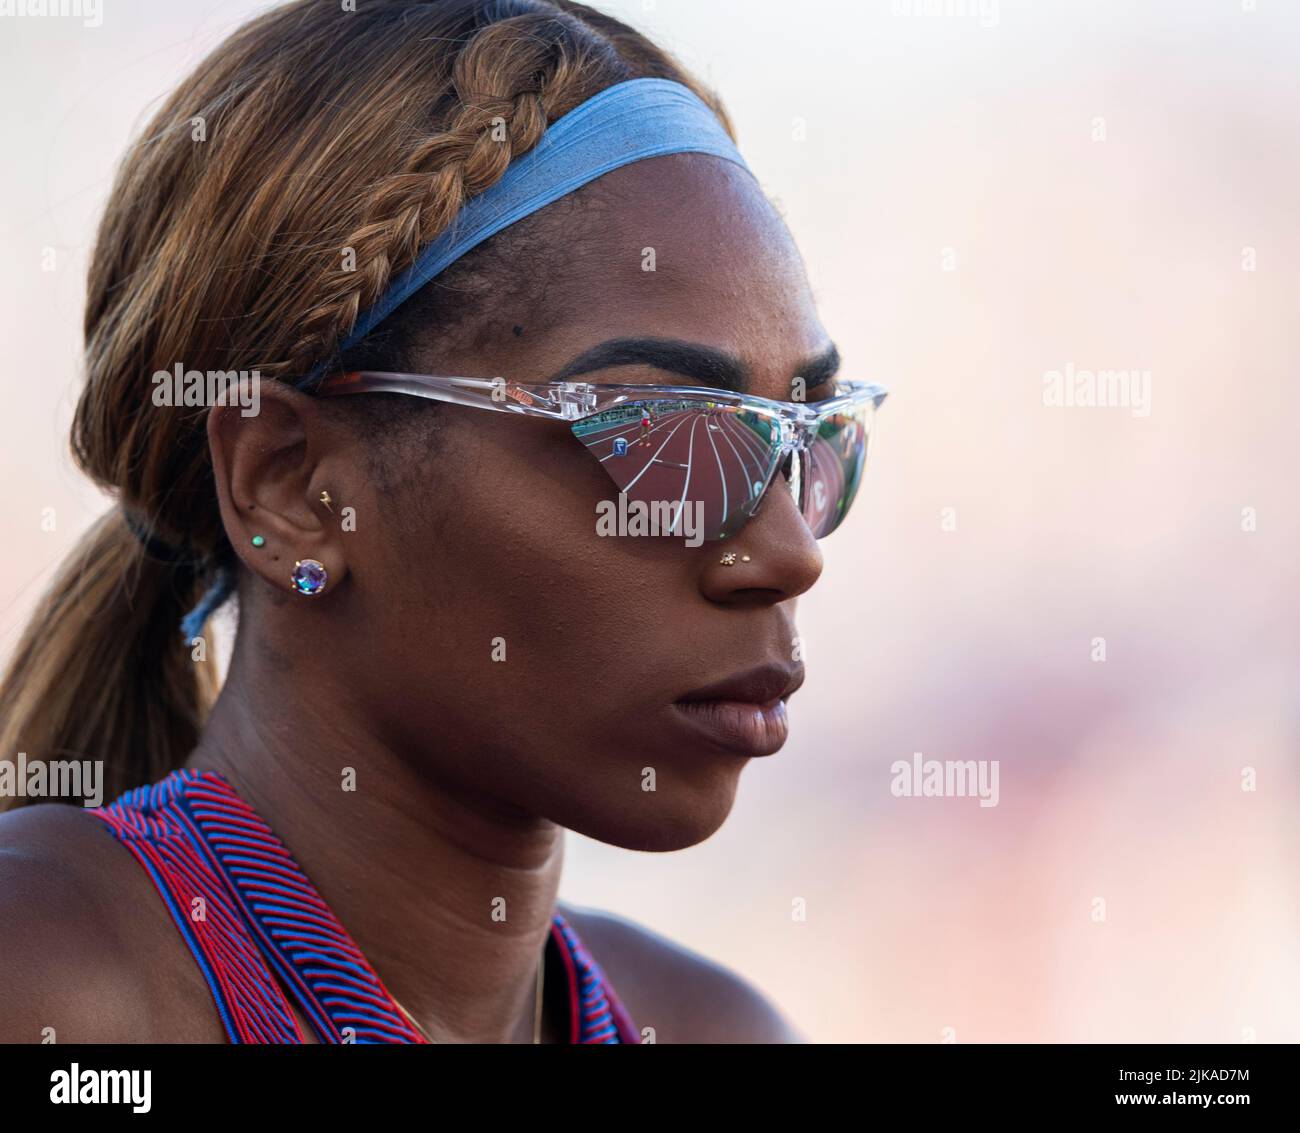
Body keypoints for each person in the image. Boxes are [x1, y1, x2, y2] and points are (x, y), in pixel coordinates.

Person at [0, 0, 866, 1043]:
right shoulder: (53, 985)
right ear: (289, 485)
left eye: (808, 434)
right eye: (658, 433)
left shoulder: (710, 1026)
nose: (786, 552)